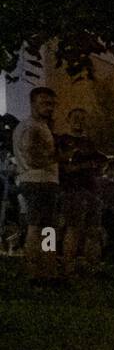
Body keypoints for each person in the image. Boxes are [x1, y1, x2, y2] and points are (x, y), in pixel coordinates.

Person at [13, 87, 63, 283]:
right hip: (37, 181)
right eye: (44, 103)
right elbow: (33, 158)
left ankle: (47, 269)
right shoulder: (31, 128)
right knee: (37, 227)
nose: (49, 107)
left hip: (44, 181)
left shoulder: (40, 126)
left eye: (51, 103)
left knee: (47, 228)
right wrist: (61, 158)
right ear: (33, 103)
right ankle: (35, 272)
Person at [57, 108, 105, 275]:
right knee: (73, 228)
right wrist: (85, 165)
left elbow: (98, 163)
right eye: (75, 118)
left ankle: (92, 267)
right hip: (72, 190)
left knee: (93, 229)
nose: (79, 121)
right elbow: (65, 167)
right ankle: (68, 267)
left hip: (91, 189)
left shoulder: (89, 142)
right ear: (68, 119)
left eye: (83, 118)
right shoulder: (62, 140)